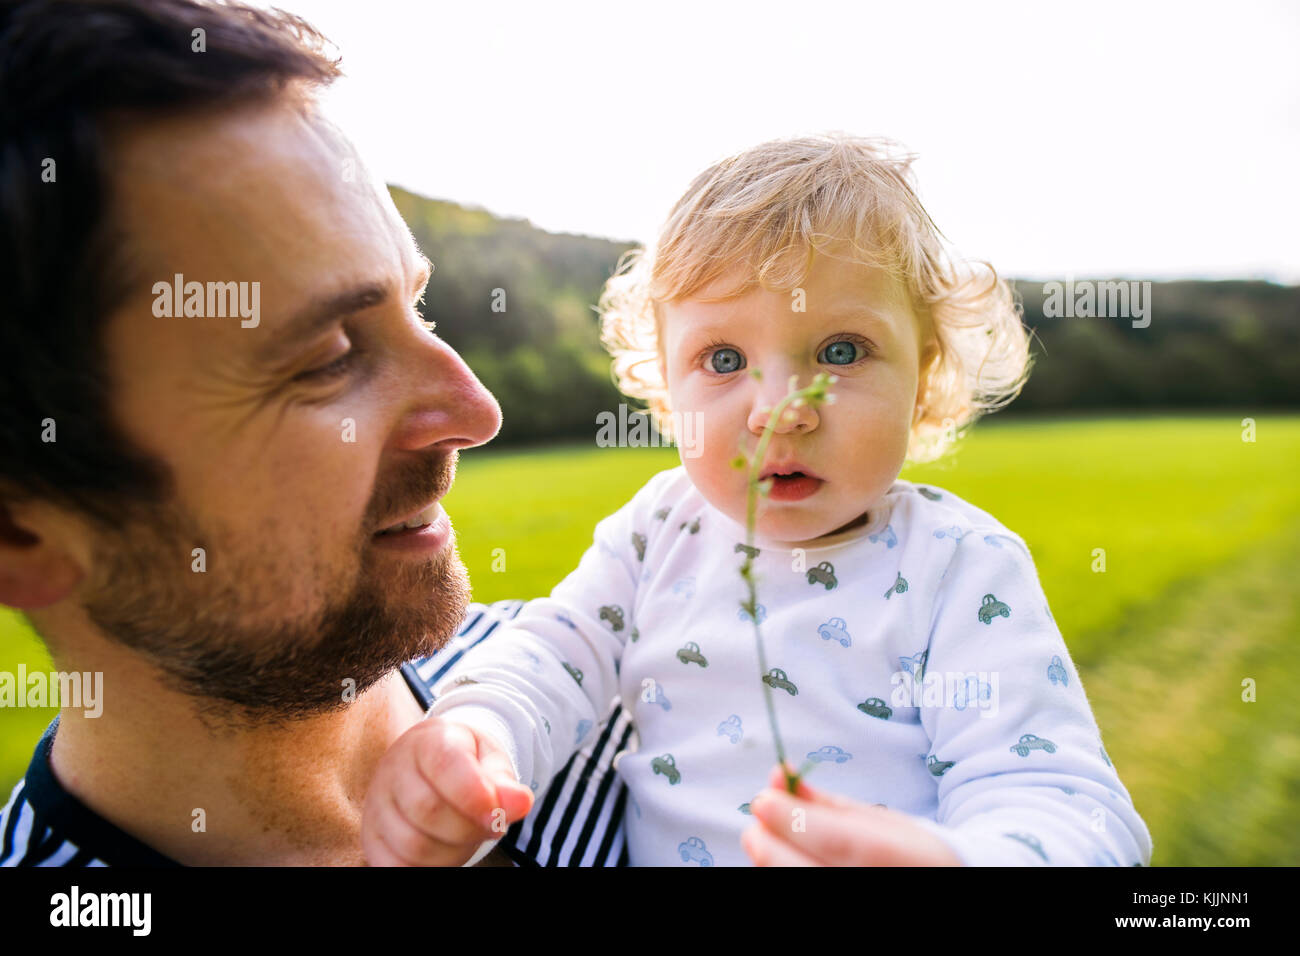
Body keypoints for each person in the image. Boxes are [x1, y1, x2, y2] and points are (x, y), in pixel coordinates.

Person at [362, 135, 1157, 867]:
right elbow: (555, 656)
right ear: (666, 389)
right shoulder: (656, 531)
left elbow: (1068, 805)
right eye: (724, 357)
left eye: (841, 352)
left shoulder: (957, 568)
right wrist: (477, 733)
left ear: (925, 377)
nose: (780, 408)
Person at [0, 0, 629, 867]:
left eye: (419, 304)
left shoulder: (619, 687)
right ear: (21, 528)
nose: (477, 412)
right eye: (329, 356)